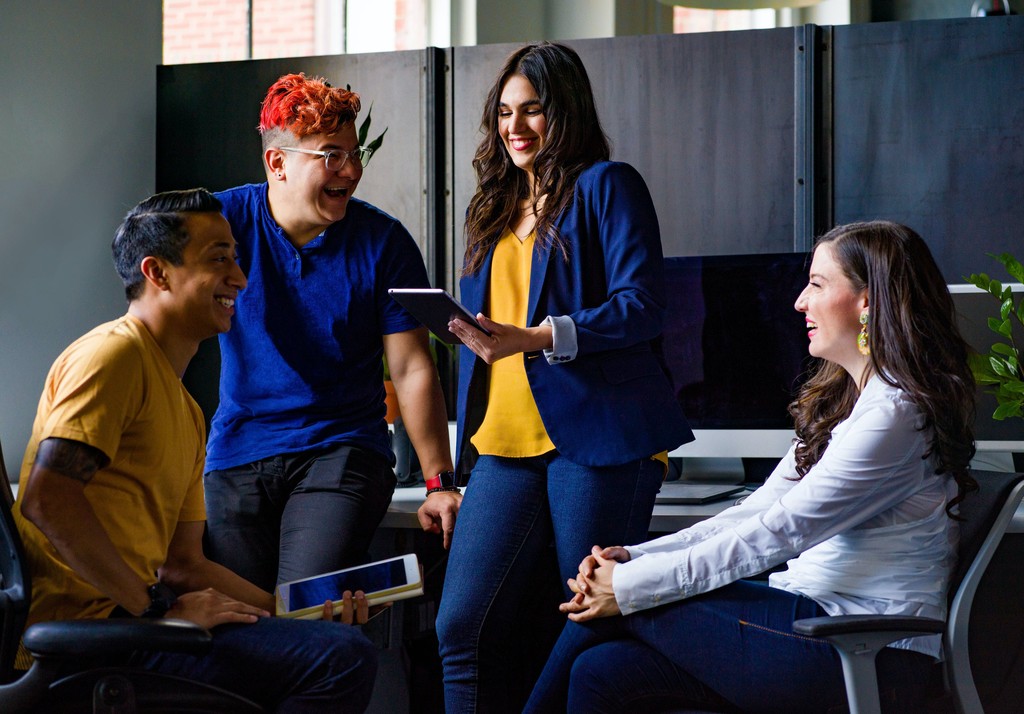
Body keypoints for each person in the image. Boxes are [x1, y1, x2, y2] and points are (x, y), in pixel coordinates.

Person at [524, 220, 979, 713]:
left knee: (614, 607)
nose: (799, 302)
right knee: (600, 672)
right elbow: (754, 511)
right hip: (807, 622)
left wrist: (626, 585)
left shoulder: (896, 414)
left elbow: (780, 531)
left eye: (817, 285)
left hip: (868, 651)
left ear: (867, 301)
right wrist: (636, 558)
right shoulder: (848, 405)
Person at [13, 189, 378, 712]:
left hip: (134, 627)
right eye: (219, 259)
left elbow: (183, 564)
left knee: (331, 643)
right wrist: (155, 612)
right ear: (157, 273)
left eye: (236, 258)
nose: (240, 278)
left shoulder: (186, 411)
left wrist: (297, 612)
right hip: (87, 642)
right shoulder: (113, 355)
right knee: (340, 660)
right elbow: (47, 498)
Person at [435, 42, 694, 713]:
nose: (514, 126)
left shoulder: (607, 185)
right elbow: (495, 329)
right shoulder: (491, 208)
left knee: (589, 613)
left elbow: (642, 305)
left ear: (565, 110)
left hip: (599, 436)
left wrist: (537, 336)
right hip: (503, 440)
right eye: (504, 113)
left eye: (532, 110)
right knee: (459, 626)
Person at [203, 73, 459, 593]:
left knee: (303, 605)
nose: (352, 170)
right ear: (277, 163)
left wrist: (439, 483)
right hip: (238, 451)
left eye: (354, 154)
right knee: (241, 618)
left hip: (342, 450)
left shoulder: (383, 242)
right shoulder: (221, 222)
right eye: (331, 155)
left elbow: (411, 368)